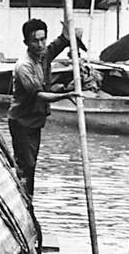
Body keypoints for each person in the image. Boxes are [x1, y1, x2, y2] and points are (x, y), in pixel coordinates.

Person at [8, 19, 81, 198]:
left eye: (43, 39)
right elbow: (40, 95)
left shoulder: (44, 55)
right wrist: (65, 96)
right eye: (35, 41)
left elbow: (60, 42)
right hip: (22, 121)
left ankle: (27, 198)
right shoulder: (24, 66)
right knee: (27, 166)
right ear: (26, 42)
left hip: (36, 120)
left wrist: (71, 33)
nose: (40, 44)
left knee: (31, 166)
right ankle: (24, 199)